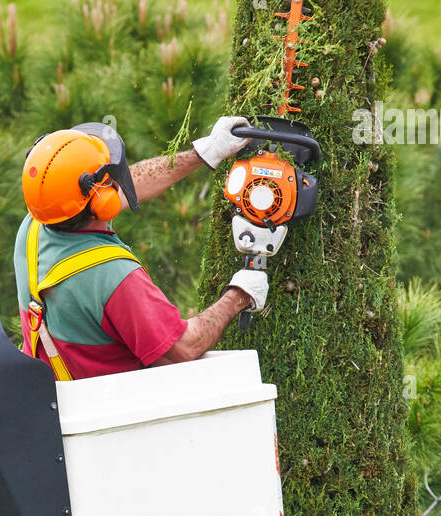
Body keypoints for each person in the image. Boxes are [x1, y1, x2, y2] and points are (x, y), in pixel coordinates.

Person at [14, 118, 268, 381]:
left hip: (51, 401)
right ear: (103, 202)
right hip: (118, 414)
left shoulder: (34, 226)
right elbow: (185, 346)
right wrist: (239, 295)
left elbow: (130, 183)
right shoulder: (114, 278)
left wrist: (202, 153)